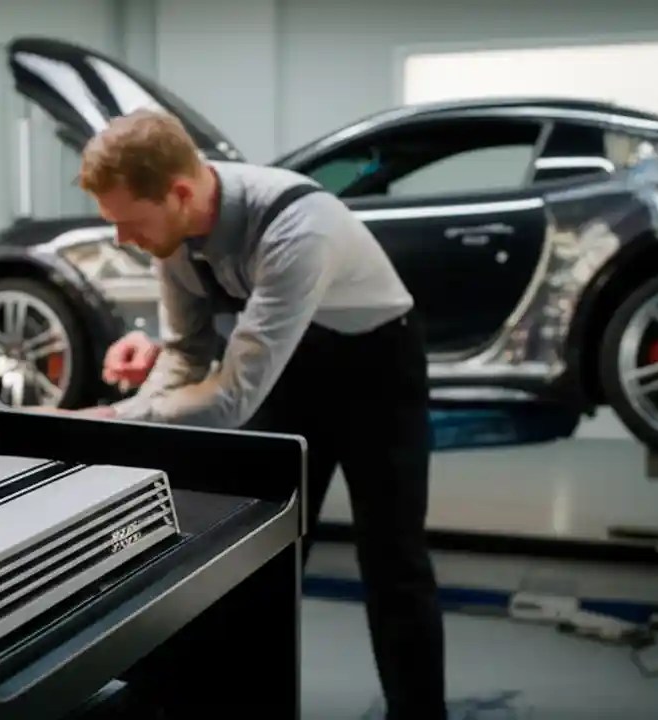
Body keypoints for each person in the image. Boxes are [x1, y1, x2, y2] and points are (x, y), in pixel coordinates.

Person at [52, 108, 445, 719]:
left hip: (377, 368)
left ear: (180, 193)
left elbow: (231, 398)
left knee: (393, 559)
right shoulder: (174, 232)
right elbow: (186, 353)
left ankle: (420, 713)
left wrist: (117, 420)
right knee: (268, 548)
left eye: (129, 224)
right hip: (291, 367)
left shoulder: (297, 228)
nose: (123, 240)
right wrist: (131, 415)